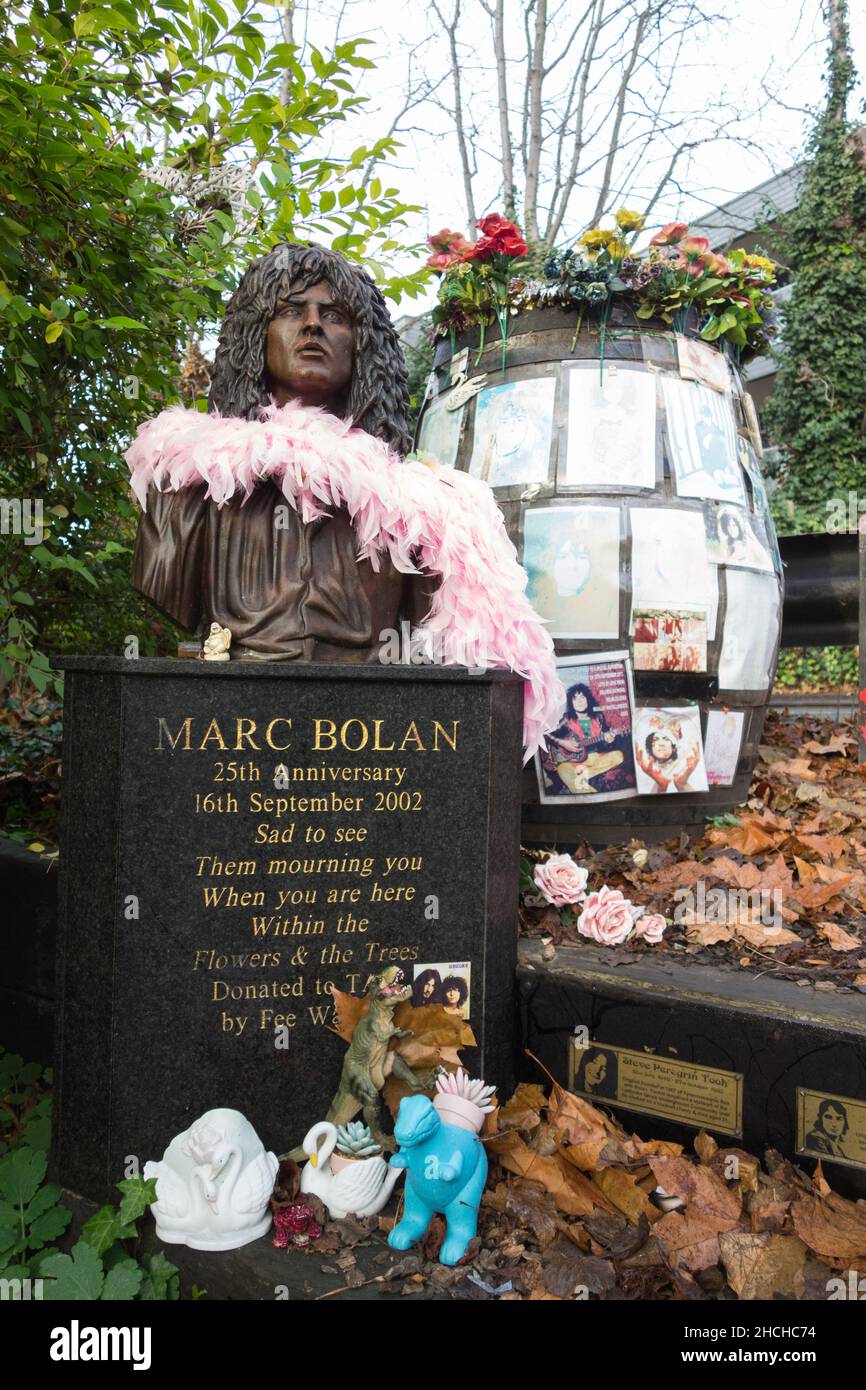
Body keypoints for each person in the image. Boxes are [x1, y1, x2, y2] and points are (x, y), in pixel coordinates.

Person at [541, 682, 624, 795]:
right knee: (562, 770)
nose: (579, 701)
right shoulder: (567, 720)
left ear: (588, 699)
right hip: (574, 762)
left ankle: (580, 777)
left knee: (618, 755)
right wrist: (563, 742)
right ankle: (589, 792)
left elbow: (602, 745)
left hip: (595, 758)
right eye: (575, 698)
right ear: (571, 703)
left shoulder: (598, 718)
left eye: (582, 697)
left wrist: (608, 740)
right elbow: (546, 734)